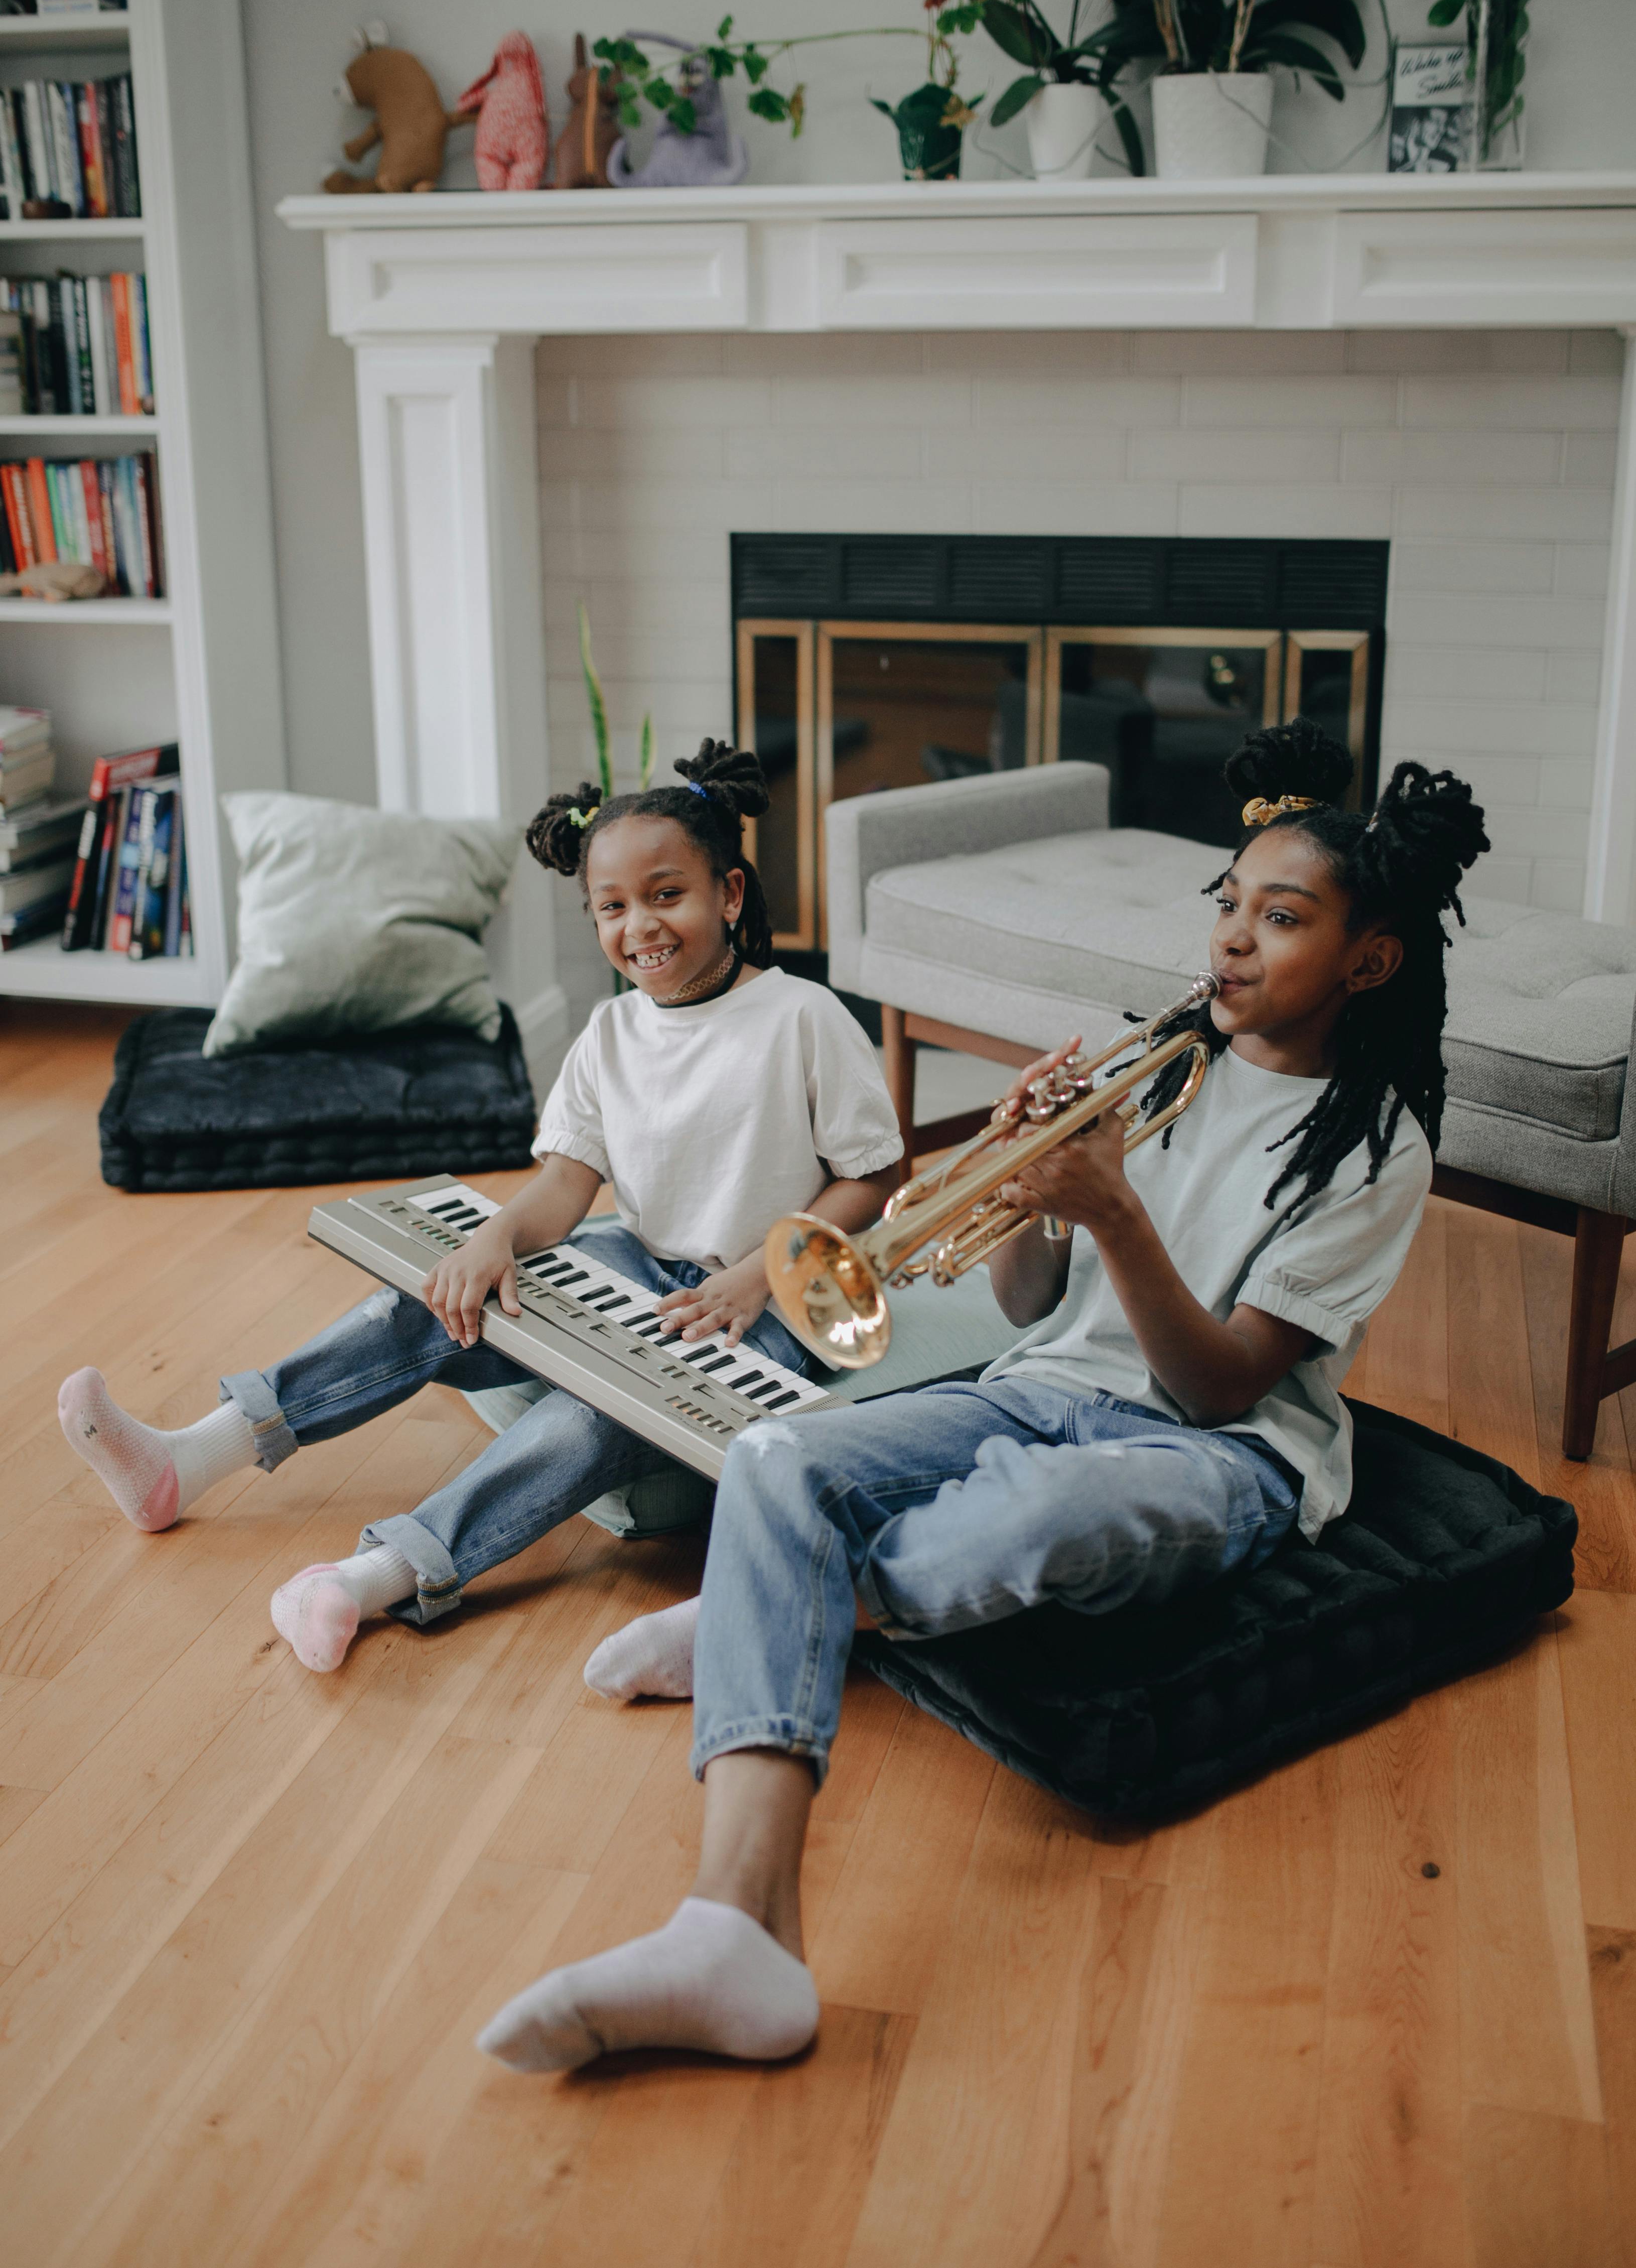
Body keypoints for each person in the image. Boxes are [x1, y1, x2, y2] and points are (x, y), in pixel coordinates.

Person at [473, 717, 1490, 2075]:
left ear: (1368, 960)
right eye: (1228, 905)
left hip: (1221, 1455)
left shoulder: (1375, 1147)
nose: (1233, 941)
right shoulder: (1156, 1065)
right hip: (1035, 1386)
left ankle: (783, 1609)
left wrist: (1114, 1209)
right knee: (777, 1458)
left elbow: (1214, 1388)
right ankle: (730, 1928)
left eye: (1282, 917)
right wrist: (1028, 1179)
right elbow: (1021, 1304)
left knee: (1024, 1519)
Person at [57, 739, 902, 1675]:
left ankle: (376, 1576)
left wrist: (756, 1274)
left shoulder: (802, 1016)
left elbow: (873, 1175)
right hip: (640, 1264)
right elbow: (568, 1183)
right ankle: (190, 1458)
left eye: (668, 895)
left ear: (730, 894)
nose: (641, 927)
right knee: (433, 1294)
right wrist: (496, 1236)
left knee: (594, 1415)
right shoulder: (611, 1030)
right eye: (613, 907)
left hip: (771, 1302)